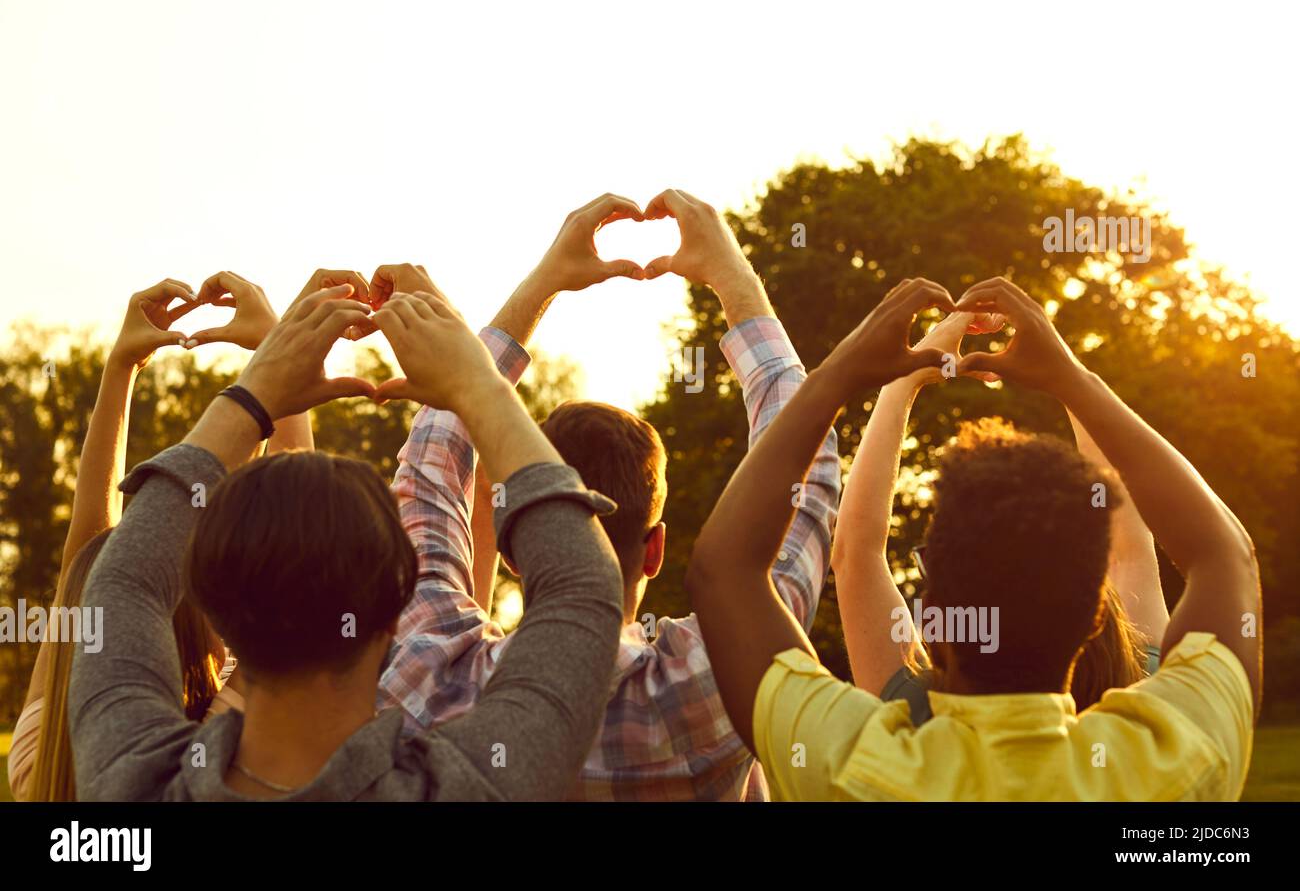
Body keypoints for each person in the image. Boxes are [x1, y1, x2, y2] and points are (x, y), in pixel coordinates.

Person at [686, 276, 1260, 801]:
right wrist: (1072, 380)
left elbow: (748, 565)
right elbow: (1223, 554)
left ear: (932, 616)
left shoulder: (864, 765)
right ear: (1097, 612)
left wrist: (861, 376)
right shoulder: (1176, 757)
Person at [67, 281, 625, 801]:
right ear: (394, 616)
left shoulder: (131, 780)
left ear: (213, 608)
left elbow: (124, 582)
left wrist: (254, 393)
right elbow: (581, 585)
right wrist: (476, 384)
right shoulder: (472, 784)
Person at [375, 190, 840, 800]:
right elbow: (805, 473)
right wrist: (735, 278)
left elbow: (429, 478)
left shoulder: (438, 676)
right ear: (655, 550)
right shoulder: (716, 681)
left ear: (513, 552)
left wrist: (539, 287)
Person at [8, 274, 310, 800]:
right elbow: (303, 546)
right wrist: (279, 349)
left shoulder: (38, 754)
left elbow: (85, 555)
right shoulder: (210, 759)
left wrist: (122, 366)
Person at [832, 309, 1155, 722]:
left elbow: (855, 553)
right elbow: (1146, 552)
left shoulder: (919, 717)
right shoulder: (1148, 701)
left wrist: (903, 381)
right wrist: (1070, 379)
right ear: (1093, 605)